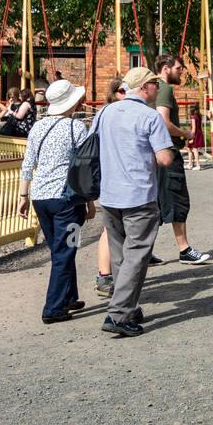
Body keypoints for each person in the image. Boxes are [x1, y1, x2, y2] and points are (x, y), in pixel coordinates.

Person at [95, 67, 175, 337]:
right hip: (138, 195)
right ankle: (118, 315)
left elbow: (93, 144)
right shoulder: (149, 116)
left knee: (120, 254)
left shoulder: (105, 111)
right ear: (143, 87)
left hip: (109, 193)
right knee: (137, 255)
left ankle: (126, 306)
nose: (157, 88)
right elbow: (164, 158)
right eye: (155, 83)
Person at [17, 79, 92, 324]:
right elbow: (84, 167)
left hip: (40, 198)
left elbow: (28, 163)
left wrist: (23, 195)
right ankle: (53, 307)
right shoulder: (76, 128)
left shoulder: (37, 128)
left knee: (60, 249)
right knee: (66, 250)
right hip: (67, 200)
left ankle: (69, 295)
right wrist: (90, 200)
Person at [153, 53, 210, 264]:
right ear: (166, 68)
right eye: (179, 68)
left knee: (155, 202)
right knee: (178, 200)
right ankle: (184, 249)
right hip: (167, 152)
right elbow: (162, 121)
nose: (181, 72)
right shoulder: (165, 88)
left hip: (154, 153)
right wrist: (185, 134)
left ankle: (145, 250)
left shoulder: (151, 87)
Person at [95, 77, 127, 298]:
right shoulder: (109, 114)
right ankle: (106, 275)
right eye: (123, 90)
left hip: (116, 177)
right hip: (113, 177)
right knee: (110, 229)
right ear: (115, 93)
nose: (128, 94)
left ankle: (113, 274)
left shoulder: (110, 113)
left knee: (117, 228)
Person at [185, 102, 204, 170]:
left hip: (194, 134)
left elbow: (194, 128)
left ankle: (198, 166)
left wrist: (192, 137)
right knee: (189, 148)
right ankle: (190, 164)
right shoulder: (199, 116)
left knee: (195, 149)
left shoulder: (193, 117)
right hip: (198, 133)